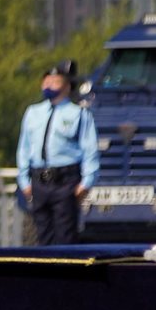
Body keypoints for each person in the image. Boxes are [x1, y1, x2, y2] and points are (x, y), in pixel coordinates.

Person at [17, 60, 98, 246]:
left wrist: (87, 182)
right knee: (40, 236)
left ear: (67, 86)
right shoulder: (33, 112)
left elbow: (89, 150)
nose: (48, 85)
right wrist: (24, 181)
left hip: (65, 180)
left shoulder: (79, 114)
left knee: (65, 237)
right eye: (46, 81)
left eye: (55, 81)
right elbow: (24, 148)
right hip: (39, 180)